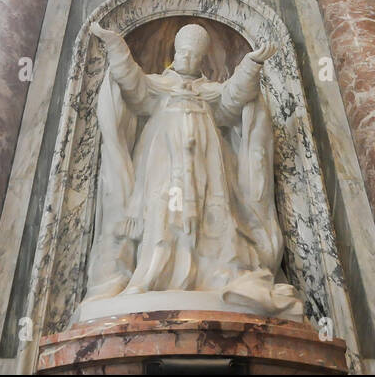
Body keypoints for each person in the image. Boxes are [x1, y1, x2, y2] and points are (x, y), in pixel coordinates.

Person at [82, 21, 302, 318]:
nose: (186, 59)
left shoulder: (208, 92)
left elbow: (233, 99)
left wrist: (251, 64)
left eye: (193, 55)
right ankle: (149, 277)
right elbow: (132, 83)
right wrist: (117, 47)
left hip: (208, 169)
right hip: (163, 168)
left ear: (202, 59)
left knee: (214, 217)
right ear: (175, 52)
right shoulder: (158, 86)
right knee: (161, 216)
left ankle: (216, 276)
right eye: (183, 53)